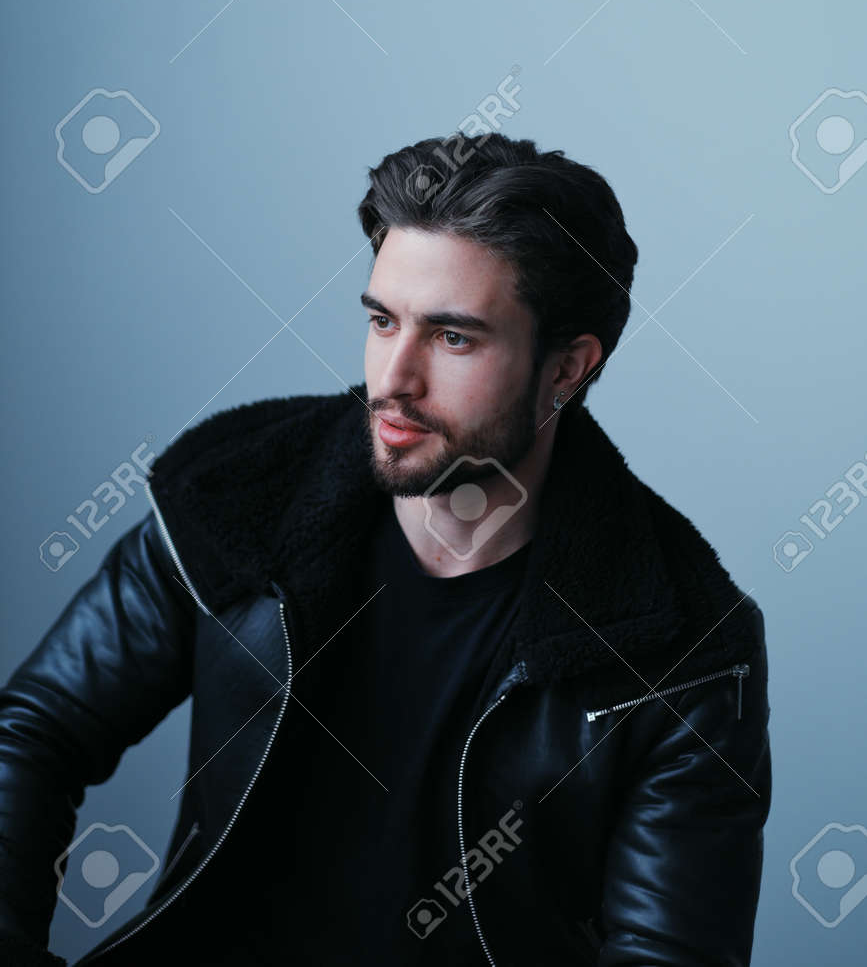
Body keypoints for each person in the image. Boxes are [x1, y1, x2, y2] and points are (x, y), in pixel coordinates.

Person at [0, 133, 771, 966]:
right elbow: (35, 731)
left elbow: (667, 955)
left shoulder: (686, 642)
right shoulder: (237, 493)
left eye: (452, 338)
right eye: (380, 320)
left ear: (567, 368)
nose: (391, 379)